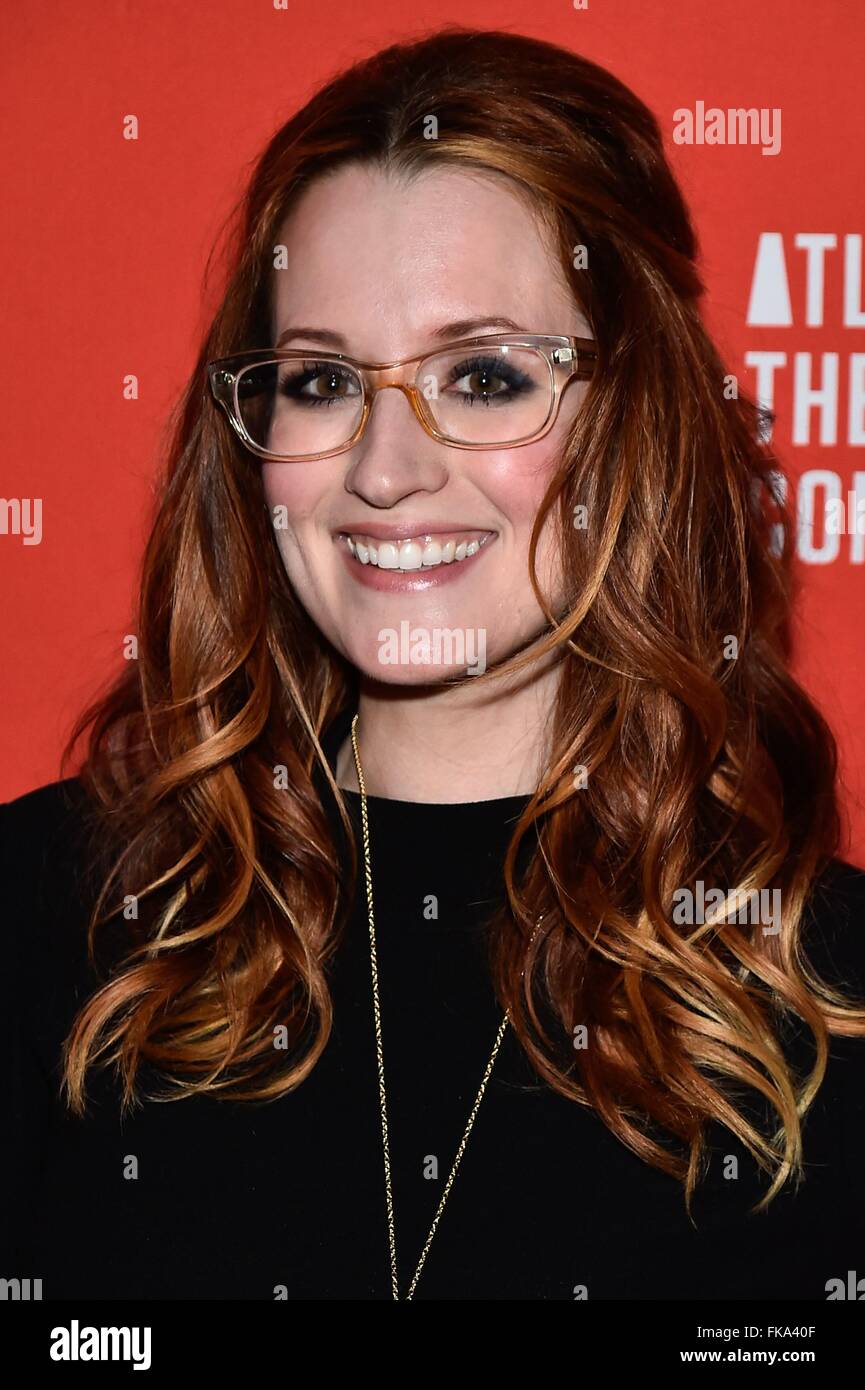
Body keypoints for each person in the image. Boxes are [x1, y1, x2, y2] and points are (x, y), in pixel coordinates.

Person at [2, 26, 864, 1302]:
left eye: (482, 373)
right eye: (320, 380)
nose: (385, 469)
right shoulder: (46, 917)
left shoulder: (823, 991)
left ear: (638, 421)